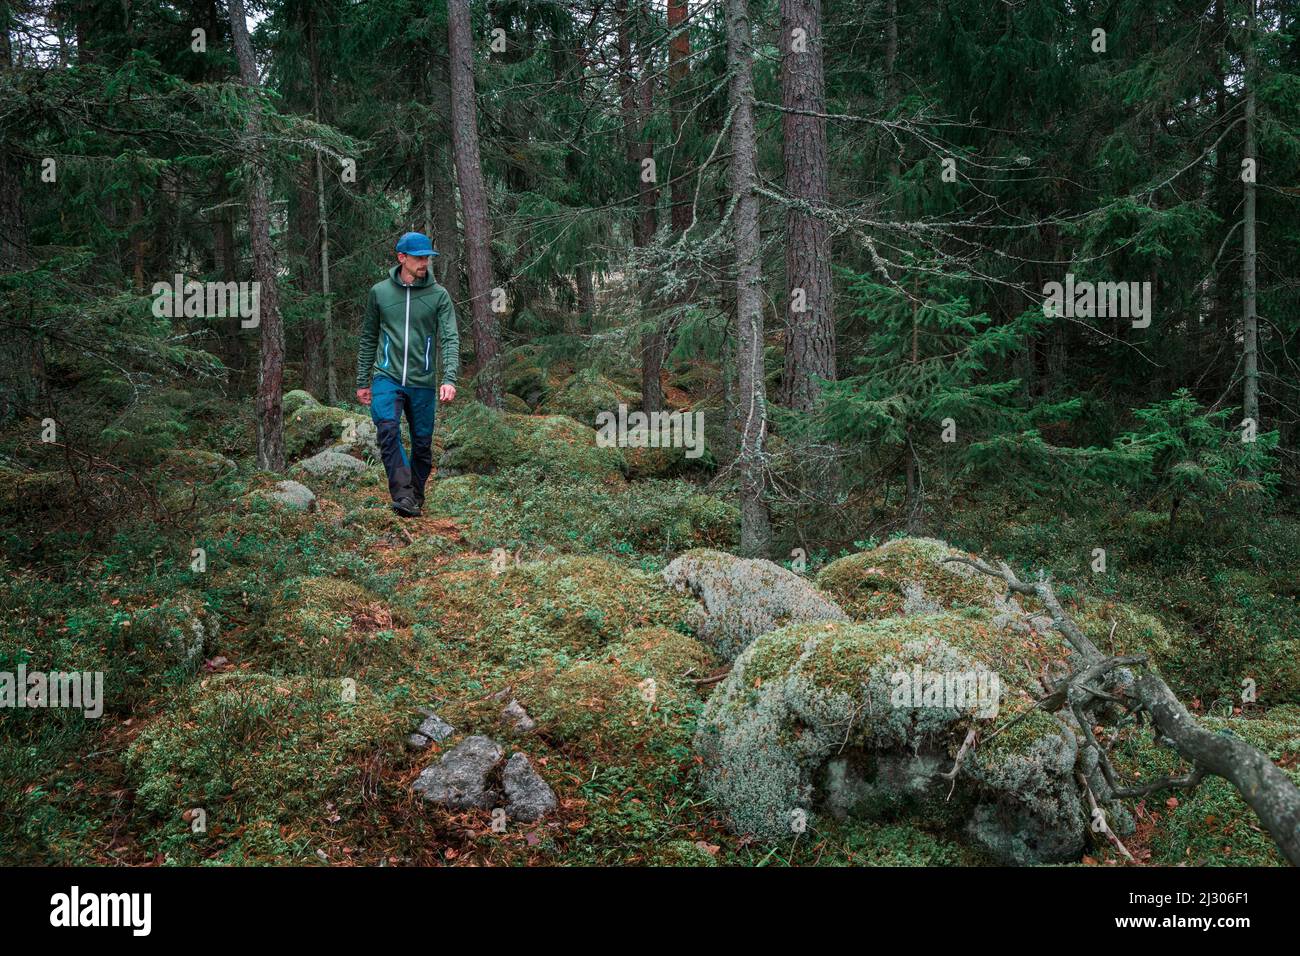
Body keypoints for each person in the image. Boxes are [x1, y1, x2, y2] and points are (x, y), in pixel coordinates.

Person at [355, 232, 459, 517]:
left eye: (427, 257)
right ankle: (402, 495)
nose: (425, 262)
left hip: (423, 382)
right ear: (402, 258)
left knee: (422, 445)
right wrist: (362, 381)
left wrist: (449, 378)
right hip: (386, 377)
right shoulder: (380, 293)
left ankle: (415, 493)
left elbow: (450, 338)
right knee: (387, 429)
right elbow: (368, 337)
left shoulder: (439, 295)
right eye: (419, 257)